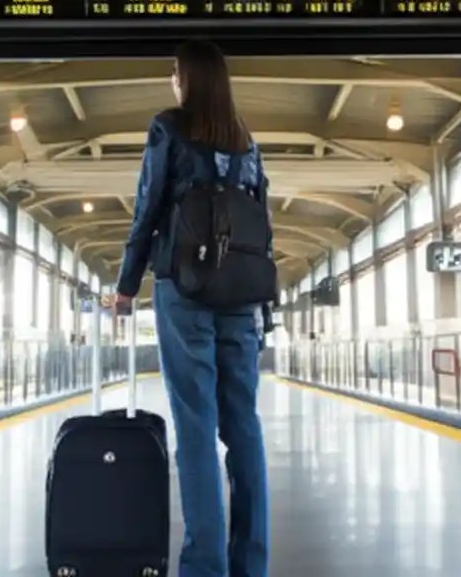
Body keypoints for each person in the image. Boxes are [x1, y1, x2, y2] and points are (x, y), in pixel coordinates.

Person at [115, 39, 271, 577]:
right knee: (244, 427)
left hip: (184, 289)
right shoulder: (246, 142)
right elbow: (262, 225)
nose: (172, 81)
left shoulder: (169, 127)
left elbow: (148, 203)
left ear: (188, 80)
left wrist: (126, 283)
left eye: (175, 73)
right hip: (242, 293)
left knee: (197, 429)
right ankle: (251, 563)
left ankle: (205, 566)